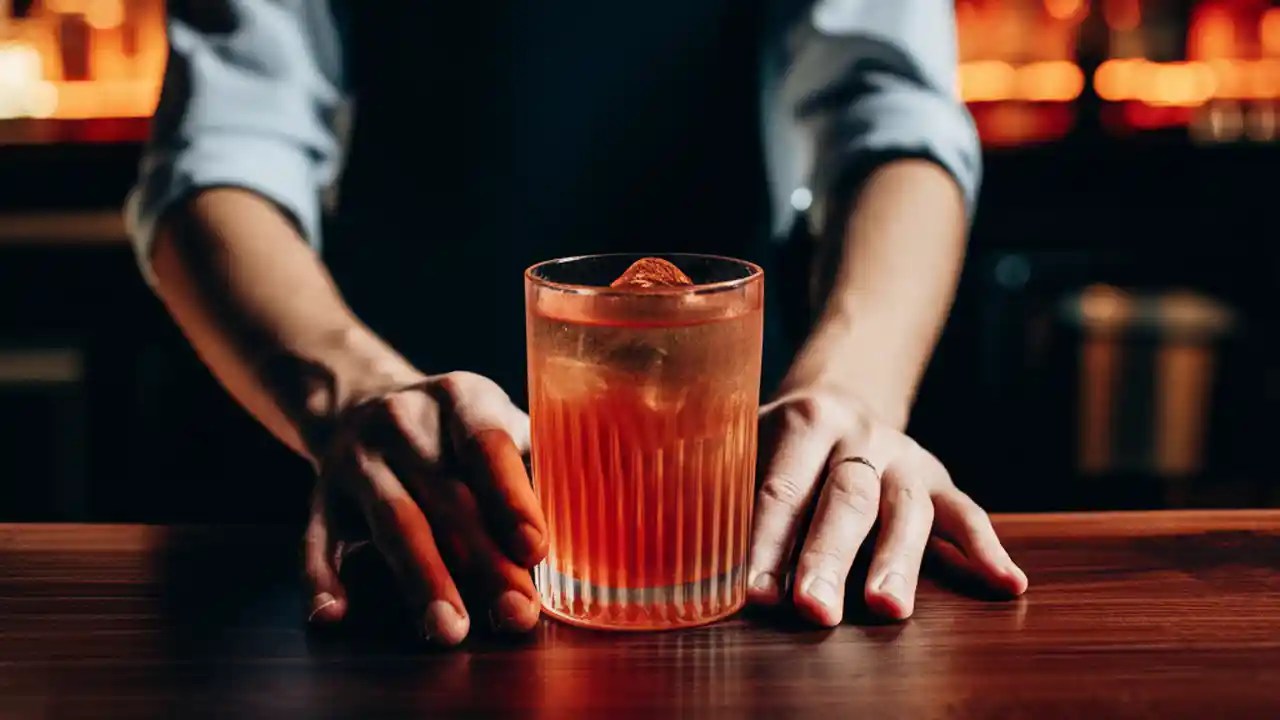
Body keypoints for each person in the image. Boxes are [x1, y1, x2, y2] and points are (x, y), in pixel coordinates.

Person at [127, 0, 1027, 646]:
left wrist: (851, 390)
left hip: (729, 493)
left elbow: (892, 112)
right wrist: (353, 391)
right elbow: (224, 146)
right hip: (379, 483)